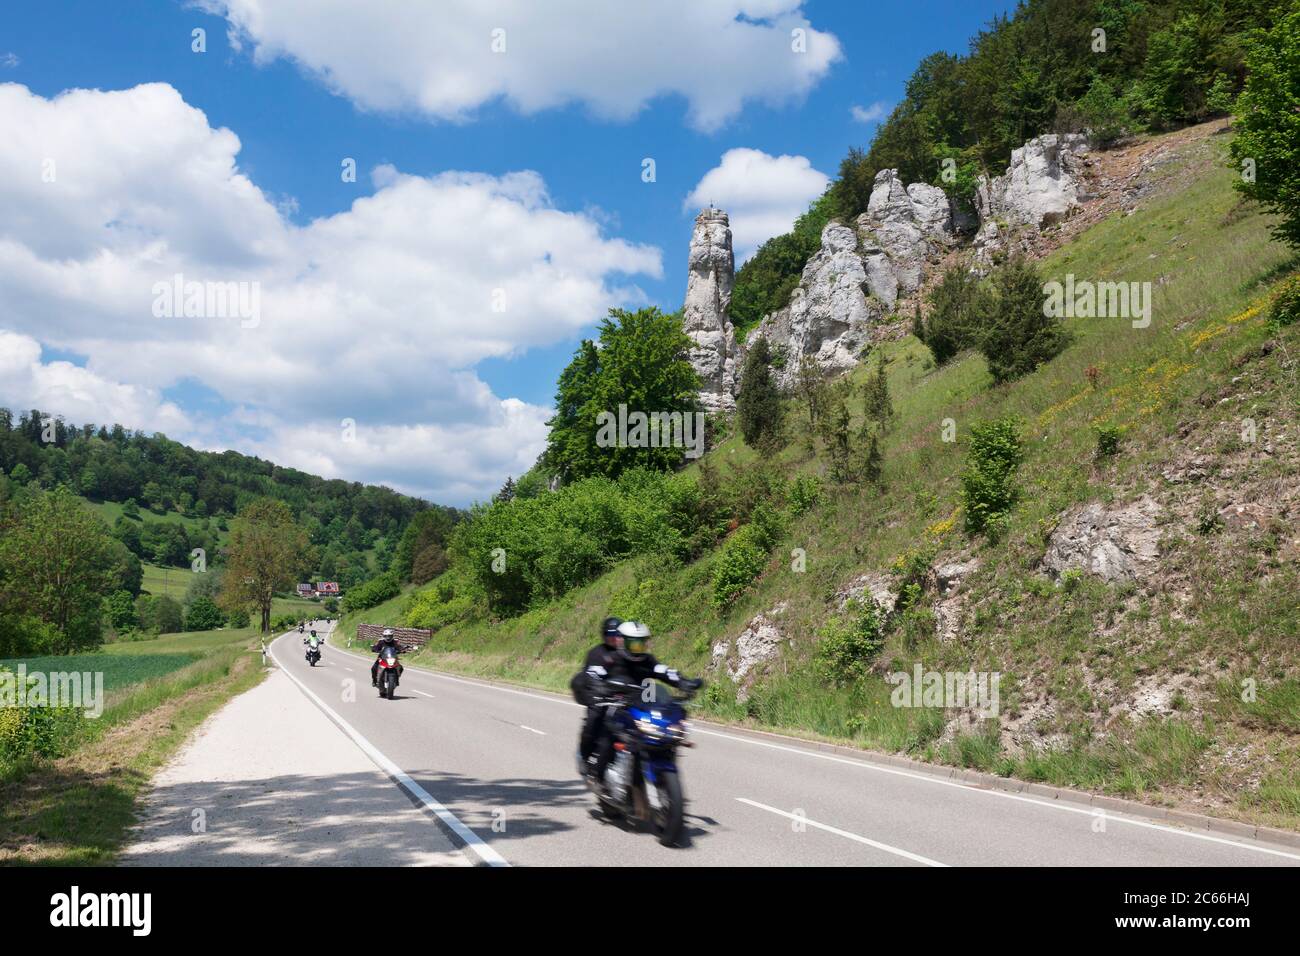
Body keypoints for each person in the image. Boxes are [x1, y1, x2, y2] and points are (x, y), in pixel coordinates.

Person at [587, 620, 701, 786]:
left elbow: (665, 671)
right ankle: (597, 775)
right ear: (622, 641)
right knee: (608, 737)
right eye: (633, 644)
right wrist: (598, 686)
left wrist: (684, 682)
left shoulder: (648, 660)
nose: (638, 648)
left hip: (642, 708)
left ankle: (657, 773)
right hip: (618, 707)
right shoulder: (611, 659)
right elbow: (594, 673)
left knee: (664, 737)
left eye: (641, 643)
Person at [572, 617, 623, 776]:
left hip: (625, 700)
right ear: (604, 635)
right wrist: (601, 690)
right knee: (594, 718)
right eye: (610, 635)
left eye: (617, 635)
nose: (614, 638)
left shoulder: (628, 653)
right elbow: (593, 676)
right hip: (601, 700)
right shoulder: (596, 653)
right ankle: (584, 756)